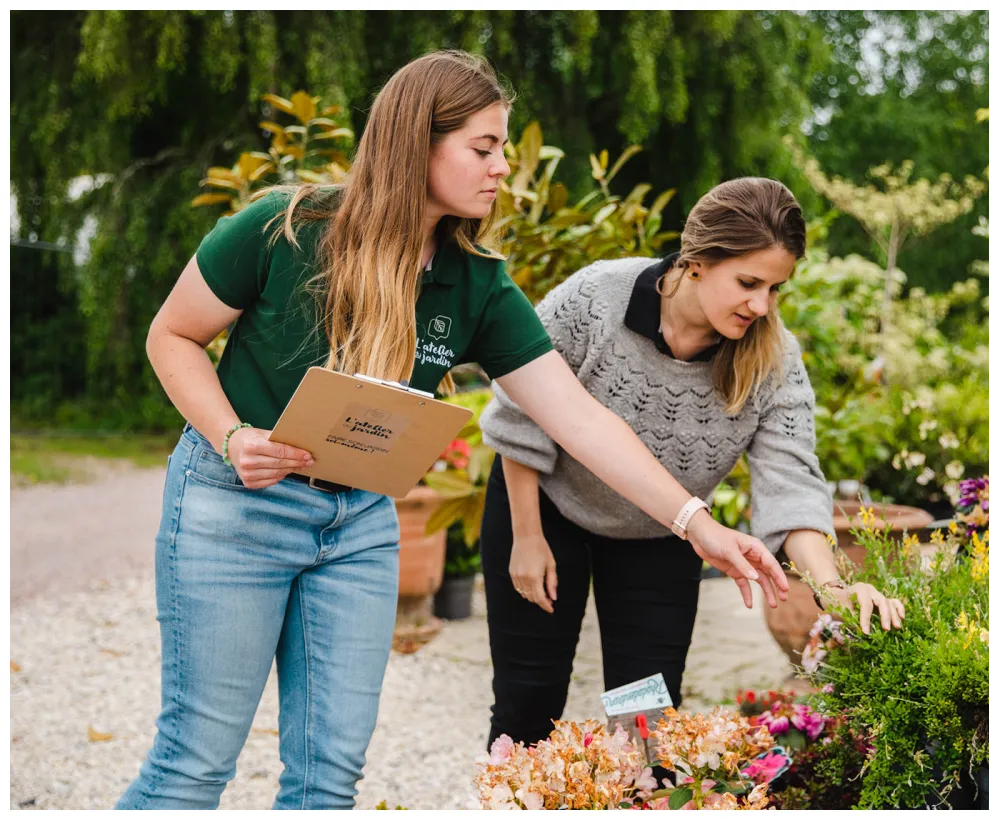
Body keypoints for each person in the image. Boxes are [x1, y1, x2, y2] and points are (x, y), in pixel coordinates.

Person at [116, 51, 787, 811]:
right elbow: (171, 337)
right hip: (233, 510)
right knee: (195, 763)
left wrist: (698, 523)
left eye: (504, 147)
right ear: (415, 142)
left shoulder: (476, 283)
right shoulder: (282, 229)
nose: (504, 167)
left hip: (358, 525)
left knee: (328, 778)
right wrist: (233, 435)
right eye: (484, 147)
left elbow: (579, 419)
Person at [478, 177, 907, 748]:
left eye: (776, 288)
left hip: (666, 536)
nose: (762, 306)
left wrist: (834, 589)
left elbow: (792, 482)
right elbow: (518, 411)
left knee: (646, 723)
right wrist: (527, 536)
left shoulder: (773, 360)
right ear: (697, 261)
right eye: (749, 283)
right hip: (545, 512)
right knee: (529, 701)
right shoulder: (595, 299)